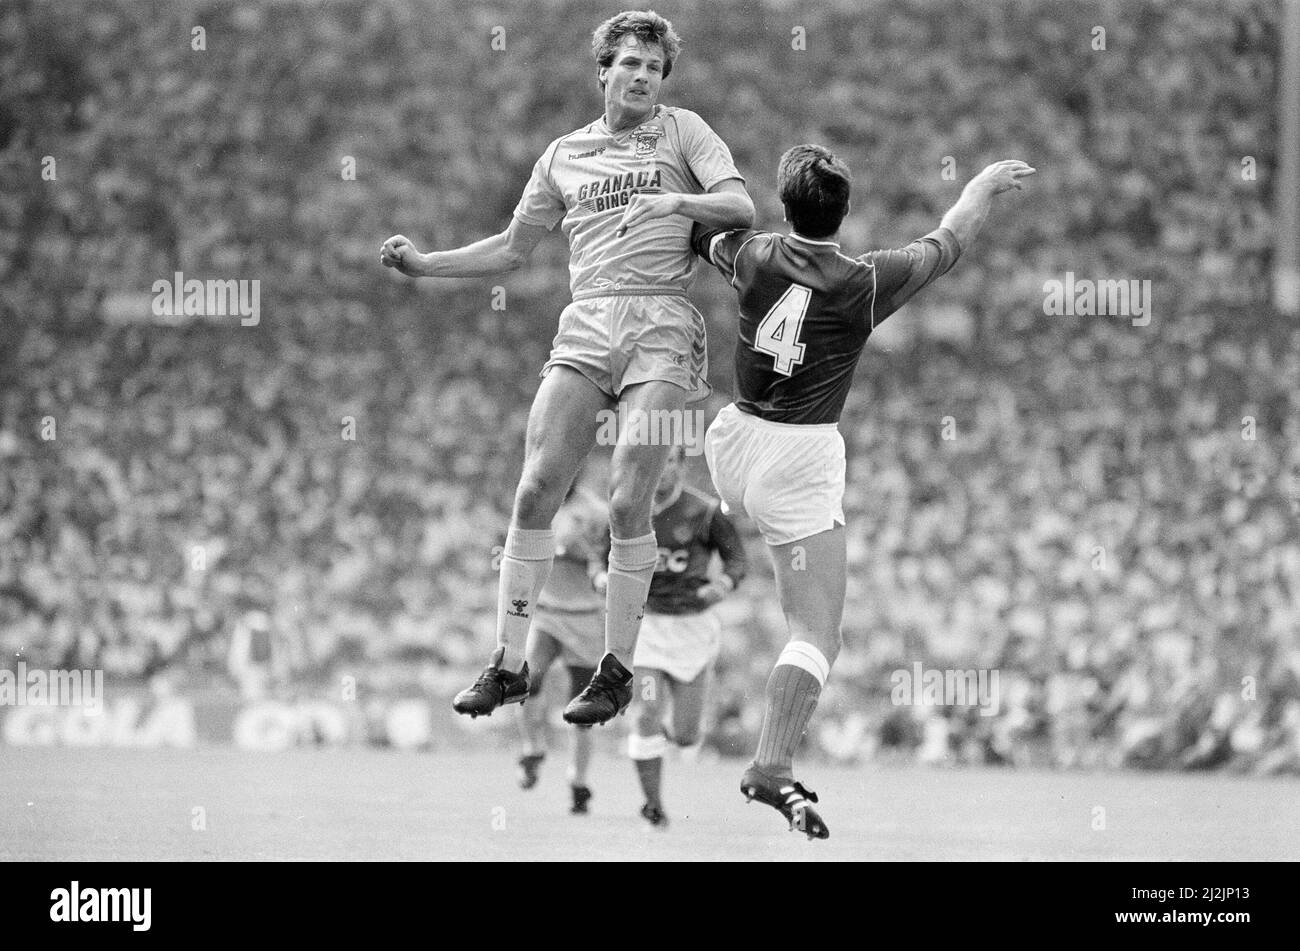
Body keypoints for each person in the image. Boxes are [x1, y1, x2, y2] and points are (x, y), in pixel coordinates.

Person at [380, 10, 753, 727]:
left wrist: (679, 201)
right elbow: (512, 248)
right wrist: (425, 265)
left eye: (654, 67)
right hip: (586, 322)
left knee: (626, 498)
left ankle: (615, 672)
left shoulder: (684, 131)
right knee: (533, 492)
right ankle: (507, 665)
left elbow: (740, 204)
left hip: (661, 320)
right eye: (631, 63)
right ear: (603, 71)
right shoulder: (563, 154)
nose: (643, 76)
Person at [693, 145, 1035, 838]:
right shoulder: (863, 280)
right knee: (818, 633)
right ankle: (770, 764)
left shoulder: (752, 254)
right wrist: (981, 185)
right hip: (798, 454)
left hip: (732, 439)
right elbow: (949, 241)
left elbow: (703, 234)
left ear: (783, 205)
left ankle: (695, 547)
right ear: (845, 211)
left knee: (759, 541)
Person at [625, 445, 746, 827]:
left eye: (669, 462)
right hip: (646, 627)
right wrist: (599, 576)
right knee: (646, 711)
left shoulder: (705, 511)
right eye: (655, 463)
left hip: (692, 628)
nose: (661, 470)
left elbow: (737, 559)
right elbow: (602, 551)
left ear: (680, 466)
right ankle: (653, 805)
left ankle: (669, 733)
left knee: (687, 736)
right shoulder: (629, 507)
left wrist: (722, 585)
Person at [515, 475, 609, 815]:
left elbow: (606, 560)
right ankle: (533, 748)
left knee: (580, 708)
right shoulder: (534, 500)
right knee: (528, 679)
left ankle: (578, 782)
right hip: (548, 614)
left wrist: (592, 565)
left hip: (585, 618)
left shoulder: (597, 513)